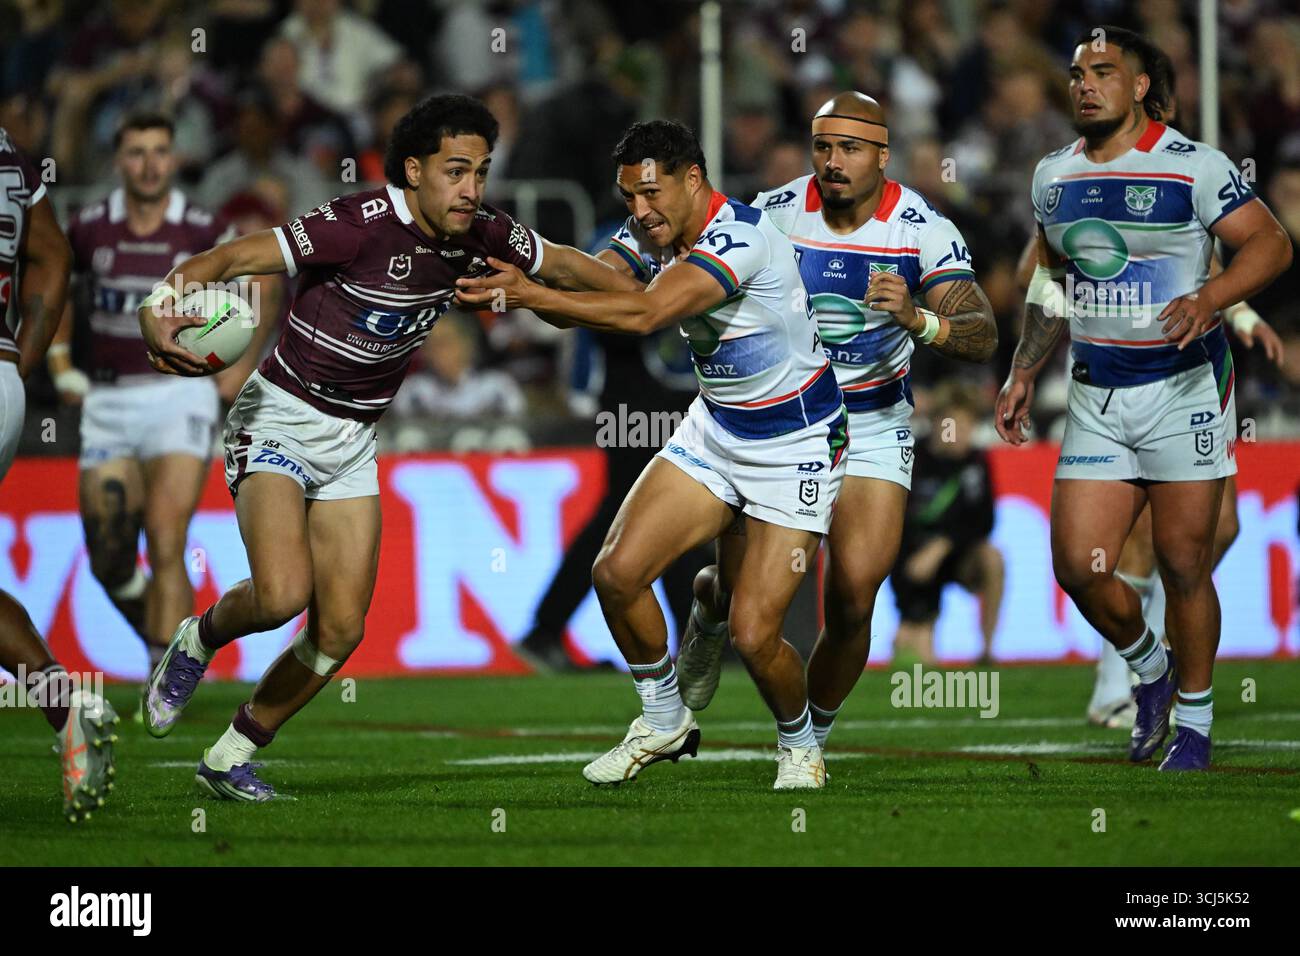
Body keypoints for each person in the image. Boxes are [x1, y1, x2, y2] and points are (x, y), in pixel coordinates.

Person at [135, 94, 641, 801]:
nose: (471, 189)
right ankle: (199, 639)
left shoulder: (483, 233)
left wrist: (642, 286)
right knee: (282, 595)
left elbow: (564, 266)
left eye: (481, 172)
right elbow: (233, 255)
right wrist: (158, 304)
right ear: (414, 170)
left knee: (340, 630)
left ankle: (230, 755)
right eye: (456, 171)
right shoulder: (355, 224)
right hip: (279, 416)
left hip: (351, 439)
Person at [458, 120, 849, 789]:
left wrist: (528, 295)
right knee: (616, 573)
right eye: (629, 197)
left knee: (755, 633)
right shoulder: (654, 232)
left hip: (797, 444)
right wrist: (522, 260)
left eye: (649, 193)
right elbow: (587, 281)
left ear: (692, 179)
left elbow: (644, 314)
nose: (639, 211)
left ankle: (799, 744)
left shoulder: (741, 237)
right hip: (717, 431)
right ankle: (665, 716)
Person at [995, 27, 1293, 771]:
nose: (1085, 85)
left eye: (1103, 72)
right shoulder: (1053, 175)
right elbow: (1051, 278)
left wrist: (1212, 299)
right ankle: (1151, 670)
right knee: (1078, 566)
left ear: (1137, 87)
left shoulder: (1194, 165)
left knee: (1184, 562)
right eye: (1076, 74)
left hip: (1184, 387)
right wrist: (1025, 368)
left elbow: (1271, 244)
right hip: (1096, 391)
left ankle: (1194, 725)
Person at [674, 92, 997, 750]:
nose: (833, 161)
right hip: (781, 421)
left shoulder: (920, 229)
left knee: (853, 597)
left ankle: (809, 740)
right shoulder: (775, 211)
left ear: (883, 155)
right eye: (822, 146)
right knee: (737, 591)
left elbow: (981, 333)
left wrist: (917, 318)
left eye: (850, 148)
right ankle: (710, 610)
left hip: (872, 426)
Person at [50, 113, 245, 683]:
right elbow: (54, 287)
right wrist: (60, 363)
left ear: (174, 158)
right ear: (119, 161)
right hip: (108, 399)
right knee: (108, 558)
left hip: (179, 395)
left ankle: (167, 679)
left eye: (160, 151)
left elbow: (258, 282)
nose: (150, 164)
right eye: (137, 152)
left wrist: (237, 365)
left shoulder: (202, 227)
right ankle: (171, 647)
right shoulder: (89, 227)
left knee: (166, 536)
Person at [0, 126, 118, 821]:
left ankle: (68, 708)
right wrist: (18, 363)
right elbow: (52, 253)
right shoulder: (10, 153)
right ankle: (68, 708)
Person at [889, 382, 1001, 666]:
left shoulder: (976, 463)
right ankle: (912, 626)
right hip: (910, 558)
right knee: (921, 656)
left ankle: (987, 650)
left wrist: (943, 544)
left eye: (969, 426)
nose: (963, 434)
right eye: (956, 425)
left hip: (956, 556)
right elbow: (897, 520)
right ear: (938, 423)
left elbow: (984, 520)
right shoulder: (913, 459)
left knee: (993, 558)